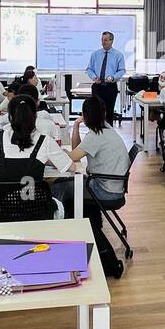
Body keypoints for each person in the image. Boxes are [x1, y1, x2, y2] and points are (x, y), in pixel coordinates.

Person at [57, 96, 129, 277]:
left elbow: (73, 157)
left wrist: (57, 153)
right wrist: (75, 127)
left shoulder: (96, 136)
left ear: (85, 115)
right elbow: (77, 152)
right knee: (67, 185)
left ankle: (55, 231)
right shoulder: (106, 130)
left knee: (61, 188)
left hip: (104, 190)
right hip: (112, 187)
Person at [0, 98, 73, 177]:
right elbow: (70, 167)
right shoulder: (45, 140)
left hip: (3, 197)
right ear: (35, 115)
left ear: (10, 117)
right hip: (36, 197)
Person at [85, 30, 126, 122]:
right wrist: (94, 77)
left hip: (110, 87)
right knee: (96, 112)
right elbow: (89, 69)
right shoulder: (95, 54)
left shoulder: (118, 55)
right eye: (102, 40)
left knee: (109, 112)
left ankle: (108, 134)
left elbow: (122, 70)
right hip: (97, 87)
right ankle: (96, 133)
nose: (103, 42)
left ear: (112, 41)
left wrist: (112, 77)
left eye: (106, 40)